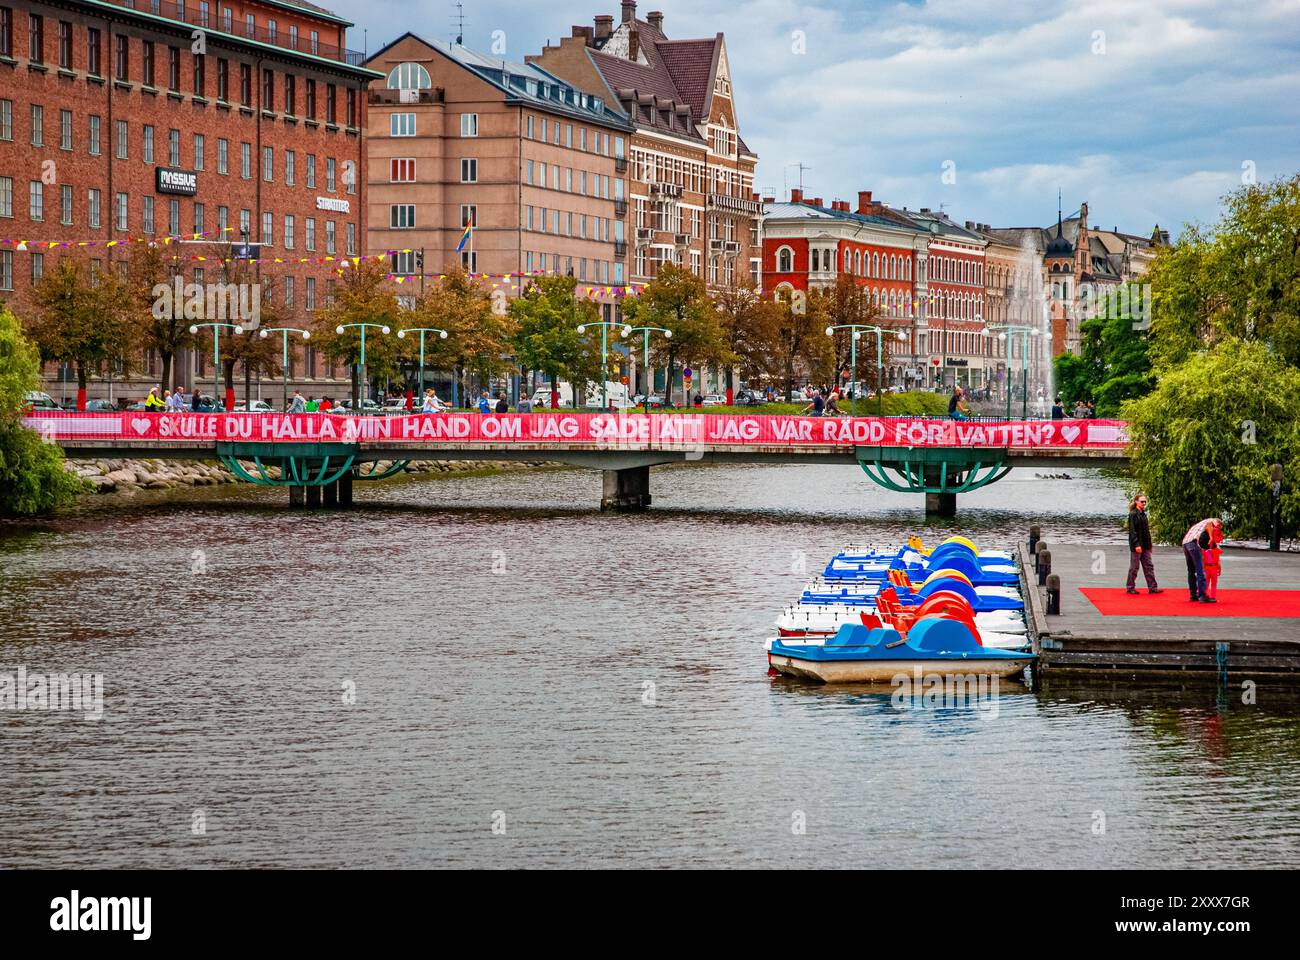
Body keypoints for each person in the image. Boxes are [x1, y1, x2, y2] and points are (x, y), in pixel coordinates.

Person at [1125, 493, 1162, 594]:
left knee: (1149, 566)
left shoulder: (1143, 514)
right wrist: (1136, 545)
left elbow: (1147, 531)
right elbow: (1132, 531)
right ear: (1136, 502)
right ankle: (1130, 587)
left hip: (1145, 545)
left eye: (1145, 501)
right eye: (1142, 501)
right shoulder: (1133, 514)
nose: (1144, 503)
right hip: (1137, 545)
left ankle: (1153, 588)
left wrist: (1150, 545)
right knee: (1134, 567)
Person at [1182, 517, 1223, 603]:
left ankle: (1193, 595)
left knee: (1191, 571)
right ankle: (1202, 595)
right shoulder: (1210, 522)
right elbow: (1209, 526)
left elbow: (1207, 548)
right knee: (1200, 570)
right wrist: (1212, 537)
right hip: (1193, 543)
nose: (1217, 529)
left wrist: (1212, 558)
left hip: (1185, 543)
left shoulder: (1201, 527)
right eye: (1218, 527)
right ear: (1217, 524)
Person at [1203, 525, 1225, 601]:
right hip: (1210, 566)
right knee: (1210, 583)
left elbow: (1217, 559)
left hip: (1210, 567)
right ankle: (1209, 596)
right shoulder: (1210, 547)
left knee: (1209, 582)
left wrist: (1219, 567)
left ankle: (1207, 595)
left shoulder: (1209, 547)